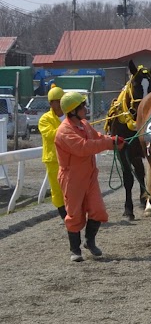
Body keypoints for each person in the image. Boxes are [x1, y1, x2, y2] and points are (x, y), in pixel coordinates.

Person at [54, 91, 125, 262]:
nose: (85, 109)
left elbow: (97, 137)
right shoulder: (64, 131)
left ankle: (89, 241)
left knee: (98, 210)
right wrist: (109, 143)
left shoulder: (84, 124)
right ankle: (75, 250)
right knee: (74, 213)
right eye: (82, 106)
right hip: (72, 178)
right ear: (73, 110)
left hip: (90, 175)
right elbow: (83, 148)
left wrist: (113, 140)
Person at [38, 86, 67, 221]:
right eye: (56, 100)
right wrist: (67, 129)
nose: (60, 103)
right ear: (50, 103)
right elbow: (50, 135)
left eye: (61, 99)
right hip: (53, 159)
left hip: (71, 159)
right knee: (57, 190)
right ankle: (64, 216)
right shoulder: (45, 119)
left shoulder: (70, 115)